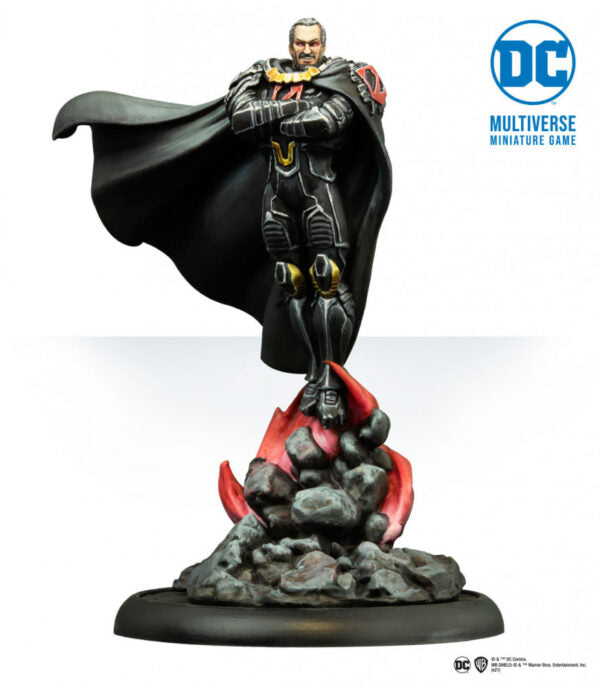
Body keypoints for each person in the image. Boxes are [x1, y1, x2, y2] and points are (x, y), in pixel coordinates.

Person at [53, 18, 391, 428]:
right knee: (291, 281)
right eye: (300, 44)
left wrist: (269, 116)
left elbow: (328, 122)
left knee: (327, 278)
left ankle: (331, 378)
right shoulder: (262, 71)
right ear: (291, 45)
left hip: (318, 193)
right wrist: (296, 111)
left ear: (324, 44)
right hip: (277, 196)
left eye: (313, 43)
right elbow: (241, 118)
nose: (306, 50)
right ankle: (312, 373)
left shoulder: (346, 76)